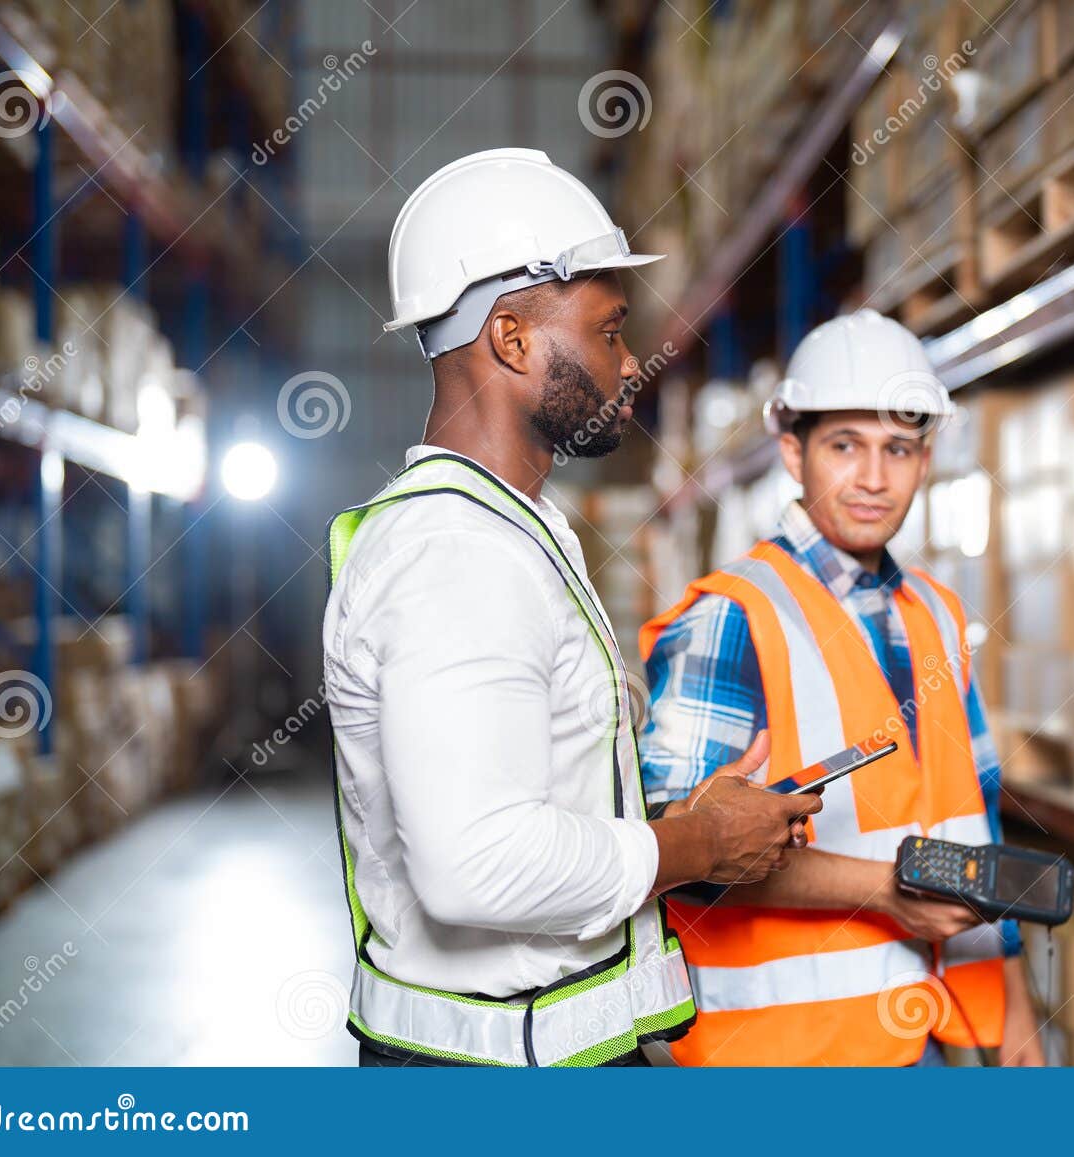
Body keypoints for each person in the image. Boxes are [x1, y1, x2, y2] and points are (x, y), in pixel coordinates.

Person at [323, 148, 819, 1068]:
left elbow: (528, 779)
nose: (632, 364)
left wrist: (665, 812)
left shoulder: (513, 530)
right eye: (608, 331)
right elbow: (476, 863)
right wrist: (699, 844)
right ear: (512, 338)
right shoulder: (458, 556)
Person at [639, 310, 1044, 1067]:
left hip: (927, 1037)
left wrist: (1014, 1005)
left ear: (926, 458)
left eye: (898, 448)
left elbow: (973, 821)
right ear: (793, 451)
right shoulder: (732, 617)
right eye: (844, 446)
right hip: (782, 1061)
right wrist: (886, 890)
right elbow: (674, 852)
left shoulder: (936, 613)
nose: (873, 478)